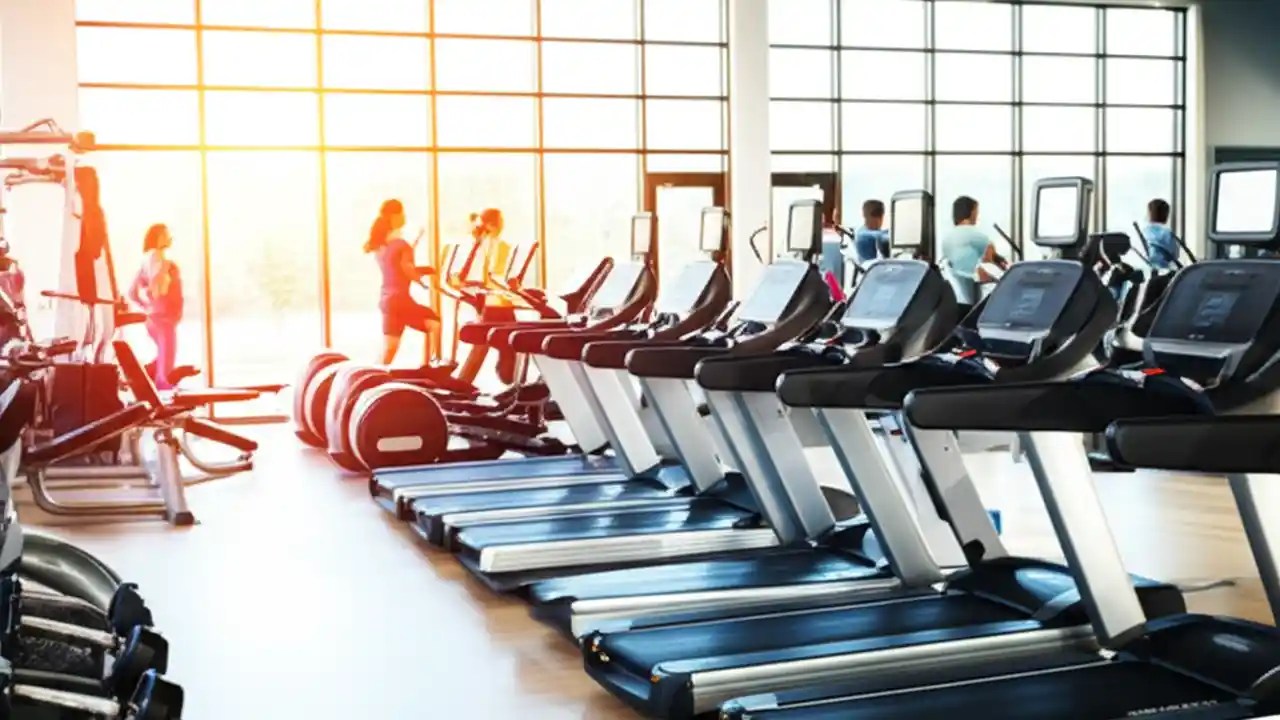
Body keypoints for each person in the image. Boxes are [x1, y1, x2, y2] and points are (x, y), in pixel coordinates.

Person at [366, 199, 439, 365]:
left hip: (386, 300)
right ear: (394, 217)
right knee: (434, 323)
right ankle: (427, 367)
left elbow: (396, 269)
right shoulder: (401, 245)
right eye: (402, 213)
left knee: (390, 348)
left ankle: (371, 377)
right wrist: (421, 280)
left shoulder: (383, 247)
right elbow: (407, 269)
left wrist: (425, 271)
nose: (404, 216)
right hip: (400, 299)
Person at [128, 223, 183, 390]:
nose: (169, 237)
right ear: (158, 237)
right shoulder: (157, 257)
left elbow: (132, 292)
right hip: (163, 318)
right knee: (166, 365)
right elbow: (158, 288)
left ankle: (141, 377)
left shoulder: (146, 260)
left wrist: (147, 306)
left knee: (163, 359)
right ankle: (161, 394)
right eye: (165, 234)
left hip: (155, 317)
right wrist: (165, 272)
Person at [467, 208, 520, 383]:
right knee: (511, 343)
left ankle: (462, 384)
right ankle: (510, 382)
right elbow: (497, 275)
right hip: (498, 303)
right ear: (493, 224)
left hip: (488, 302)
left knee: (485, 347)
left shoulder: (481, 244)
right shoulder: (499, 245)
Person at [941, 196, 1004, 306]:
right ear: (971, 212)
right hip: (969, 303)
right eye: (976, 211)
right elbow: (990, 255)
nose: (977, 216)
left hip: (953, 300)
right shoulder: (975, 235)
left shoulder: (946, 238)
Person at [1142, 199, 1179, 270]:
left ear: (1149, 213)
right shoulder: (1168, 233)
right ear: (1166, 214)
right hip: (1163, 272)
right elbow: (1174, 255)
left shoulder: (1144, 231)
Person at [853, 200, 890, 266]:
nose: (876, 220)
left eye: (879, 216)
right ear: (864, 216)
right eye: (873, 216)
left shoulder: (878, 233)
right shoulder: (862, 234)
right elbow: (881, 236)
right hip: (868, 270)